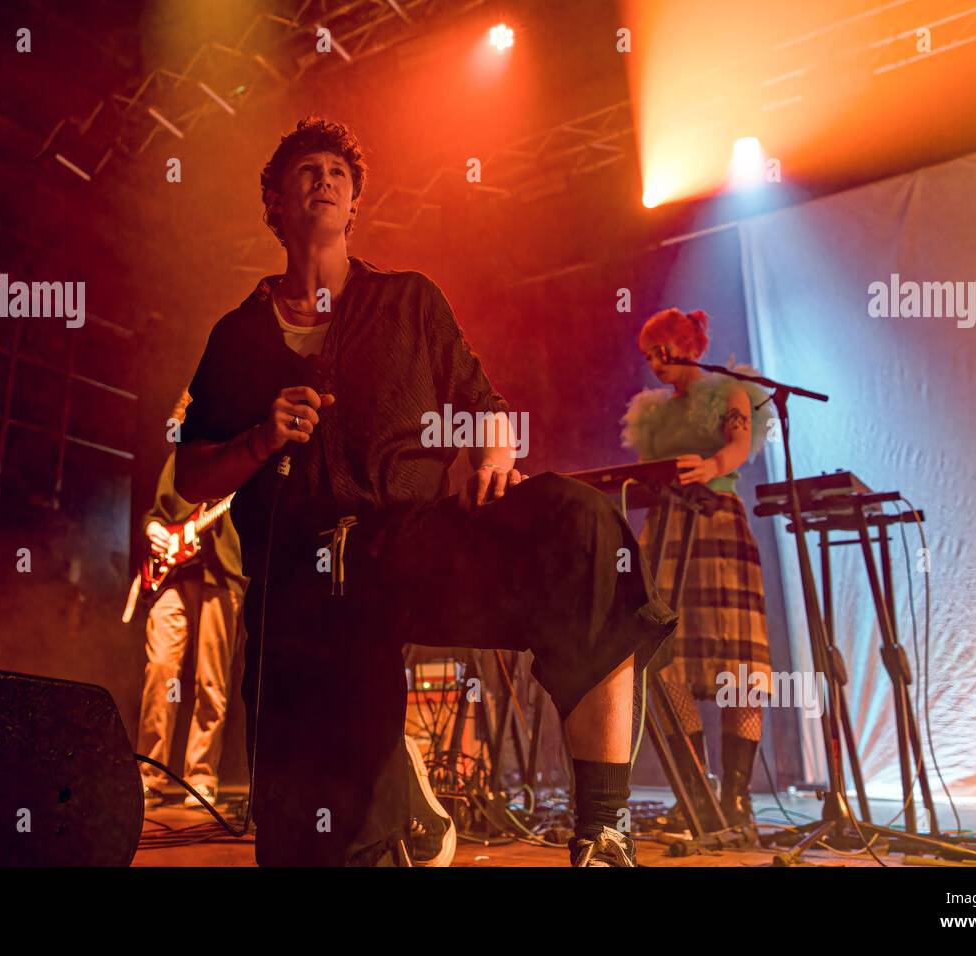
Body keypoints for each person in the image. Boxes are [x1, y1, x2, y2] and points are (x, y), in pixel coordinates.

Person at [174, 116, 677, 866]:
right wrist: (258, 438)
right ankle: (401, 803)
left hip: (403, 542)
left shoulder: (408, 301)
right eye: (306, 171)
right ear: (274, 204)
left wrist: (493, 458)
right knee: (317, 848)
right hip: (297, 591)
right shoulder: (233, 338)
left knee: (583, 529)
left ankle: (603, 829)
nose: (325, 180)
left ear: (353, 208)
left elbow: (486, 408)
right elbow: (190, 477)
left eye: (339, 174)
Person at [621, 308, 775, 838]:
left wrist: (712, 467)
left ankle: (736, 801)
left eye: (659, 350)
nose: (653, 364)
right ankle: (699, 797)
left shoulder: (730, 393)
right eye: (647, 355)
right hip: (666, 531)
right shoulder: (653, 414)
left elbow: (736, 445)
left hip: (717, 526)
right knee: (667, 664)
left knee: (738, 663)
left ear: (682, 345)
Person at [136, 394, 247, 810]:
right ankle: (149, 774)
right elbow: (155, 513)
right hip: (173, 578)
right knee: (160, 669)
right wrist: (153, 532)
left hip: (221, 575)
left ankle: (201, 776)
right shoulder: (176, 463)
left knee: (211, 681)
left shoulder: (240, 454)